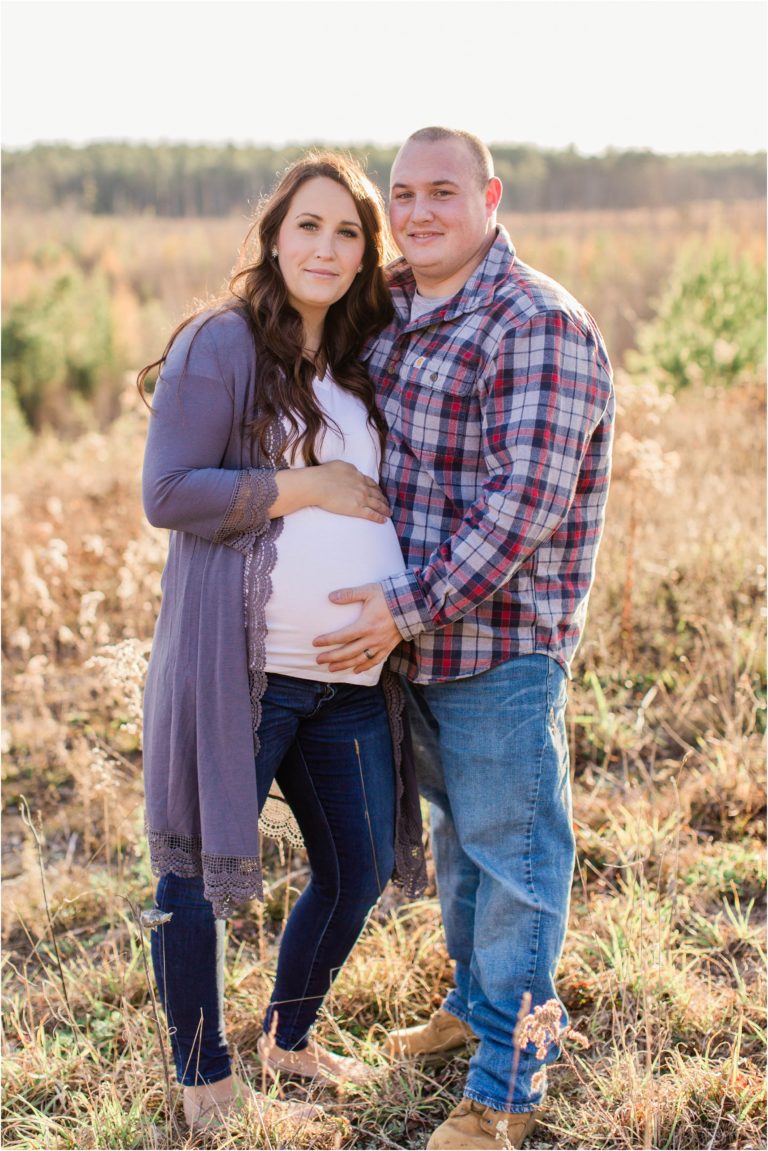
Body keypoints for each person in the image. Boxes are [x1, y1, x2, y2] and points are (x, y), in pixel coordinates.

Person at [313, 127, 614, 1150]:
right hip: (415, 651)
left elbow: (517, 508)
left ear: (489, 196)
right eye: (403, 194)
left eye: (443, 192)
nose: (419, 212)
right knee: (460, 846)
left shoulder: (536, 322)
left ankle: (506, 1091)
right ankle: (476, 1008)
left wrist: (401, 605)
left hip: (497, 648)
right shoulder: (395, 304)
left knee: (516, 858)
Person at [138, 151, 426, 1134]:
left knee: (354, 867)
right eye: (308, 224)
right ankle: (200, 1069)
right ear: (274, 235)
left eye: (348, 232)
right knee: (193, 873)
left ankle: (288, 1039)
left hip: (344, 684)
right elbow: (168, 492)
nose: (326, 245)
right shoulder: (222, 345)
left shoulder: (354, 364)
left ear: (363, 255)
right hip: (242, 674)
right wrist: (308, 487)